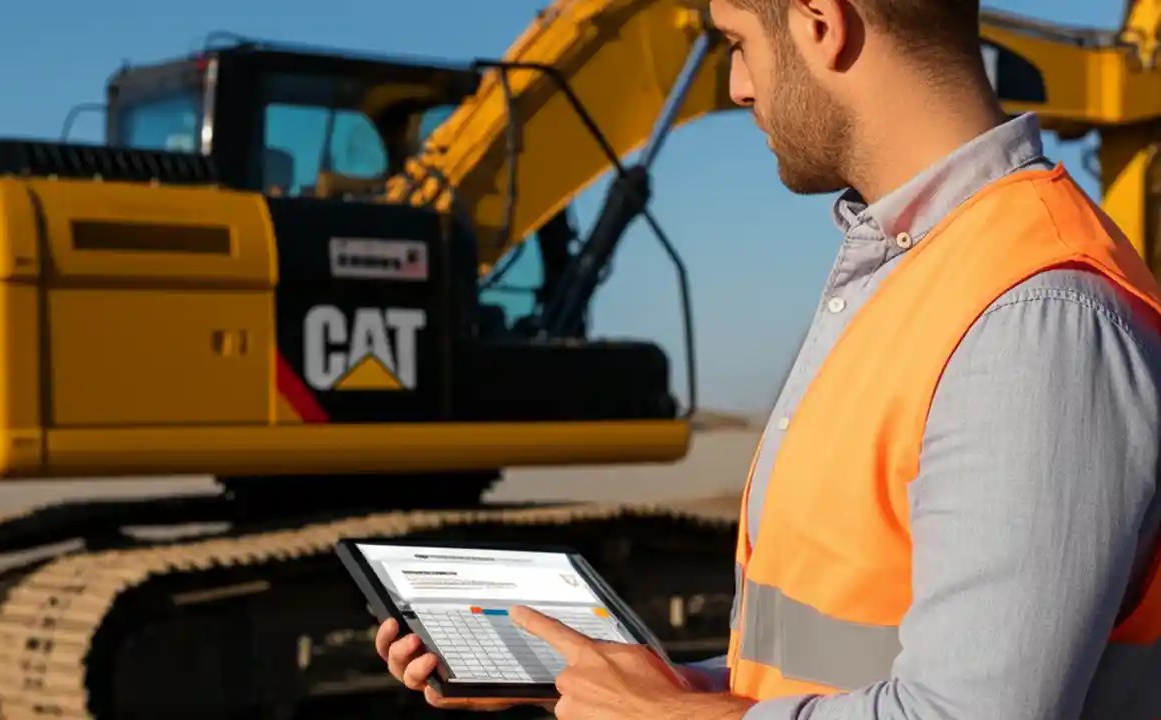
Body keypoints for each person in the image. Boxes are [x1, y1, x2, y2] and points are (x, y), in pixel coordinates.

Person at [376, 0, 1161, 717]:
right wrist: (619, 686)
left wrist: (667, 718)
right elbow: (831, 672)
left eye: (737, 43)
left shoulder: (1037, 314)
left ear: (822, 22)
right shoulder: (919, 271)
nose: (738, 85)